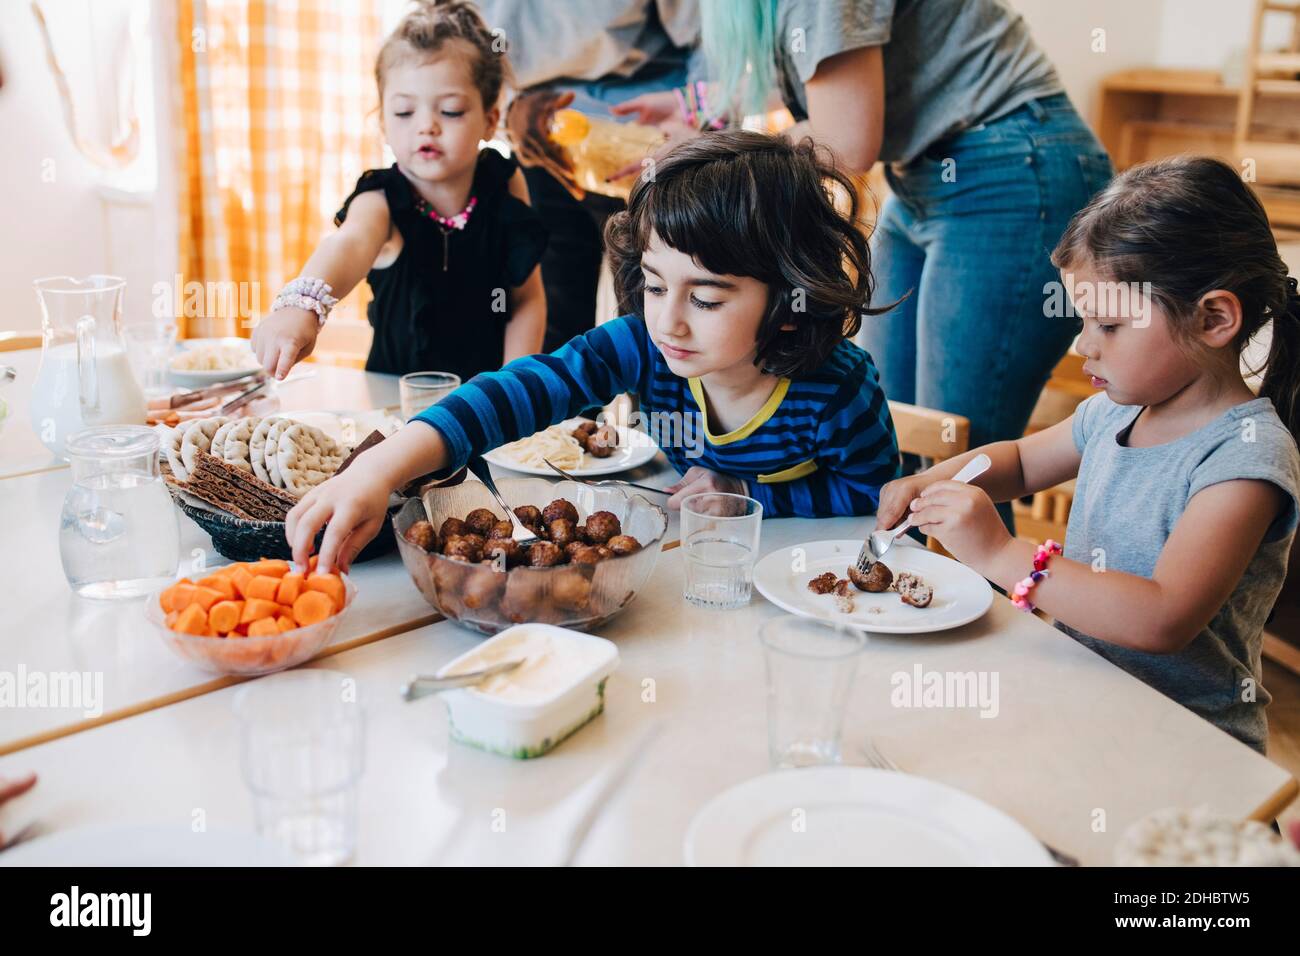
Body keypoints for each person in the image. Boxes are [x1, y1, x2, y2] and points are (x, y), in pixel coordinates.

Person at [286, 132, 901, 571]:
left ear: (789, 301)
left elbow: (874, 500)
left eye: (707, 301)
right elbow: (514, 392)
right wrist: (377, 469)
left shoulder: (839, 388)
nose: (668, 322)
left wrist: (740, 491)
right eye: (656, 286)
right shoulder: (643, 342)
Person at [616, 0, 1113, 528]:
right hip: (923, 174)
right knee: (903, 461)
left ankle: (984, 601)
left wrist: (703, 152)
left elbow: (845, 139)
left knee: (962, 469)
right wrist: (697, 109)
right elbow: (819, 73)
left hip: (1012, 165)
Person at [878, 157, 1300, 754]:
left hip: (1188, 748)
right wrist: (941, 477)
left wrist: (1001, 553)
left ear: (1213, 318)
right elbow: (1021, 464)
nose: (1083, 344)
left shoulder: (1244, 459)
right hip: (1089, 706)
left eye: (1108, 324)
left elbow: (1162, 617)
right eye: (1083, 320)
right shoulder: (1119, 410)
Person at [251, 0, 547, 382]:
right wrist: (302, 306)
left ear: (490, 120)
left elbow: (526, 299)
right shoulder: (380, 200)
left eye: (451, 111)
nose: (426, 126)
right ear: (383, 125)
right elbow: (349, 243)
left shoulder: (504, 181)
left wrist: (512, 386)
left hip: (482, 407)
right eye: (405, 113)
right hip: (396, 406)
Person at [482, 0, 706, 352]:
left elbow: (708, 35)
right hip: (540, 133)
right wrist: (509, 109)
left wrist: (695, 128)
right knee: (556, 322)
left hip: (646, 134)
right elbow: (459, 34)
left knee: (661, 321)